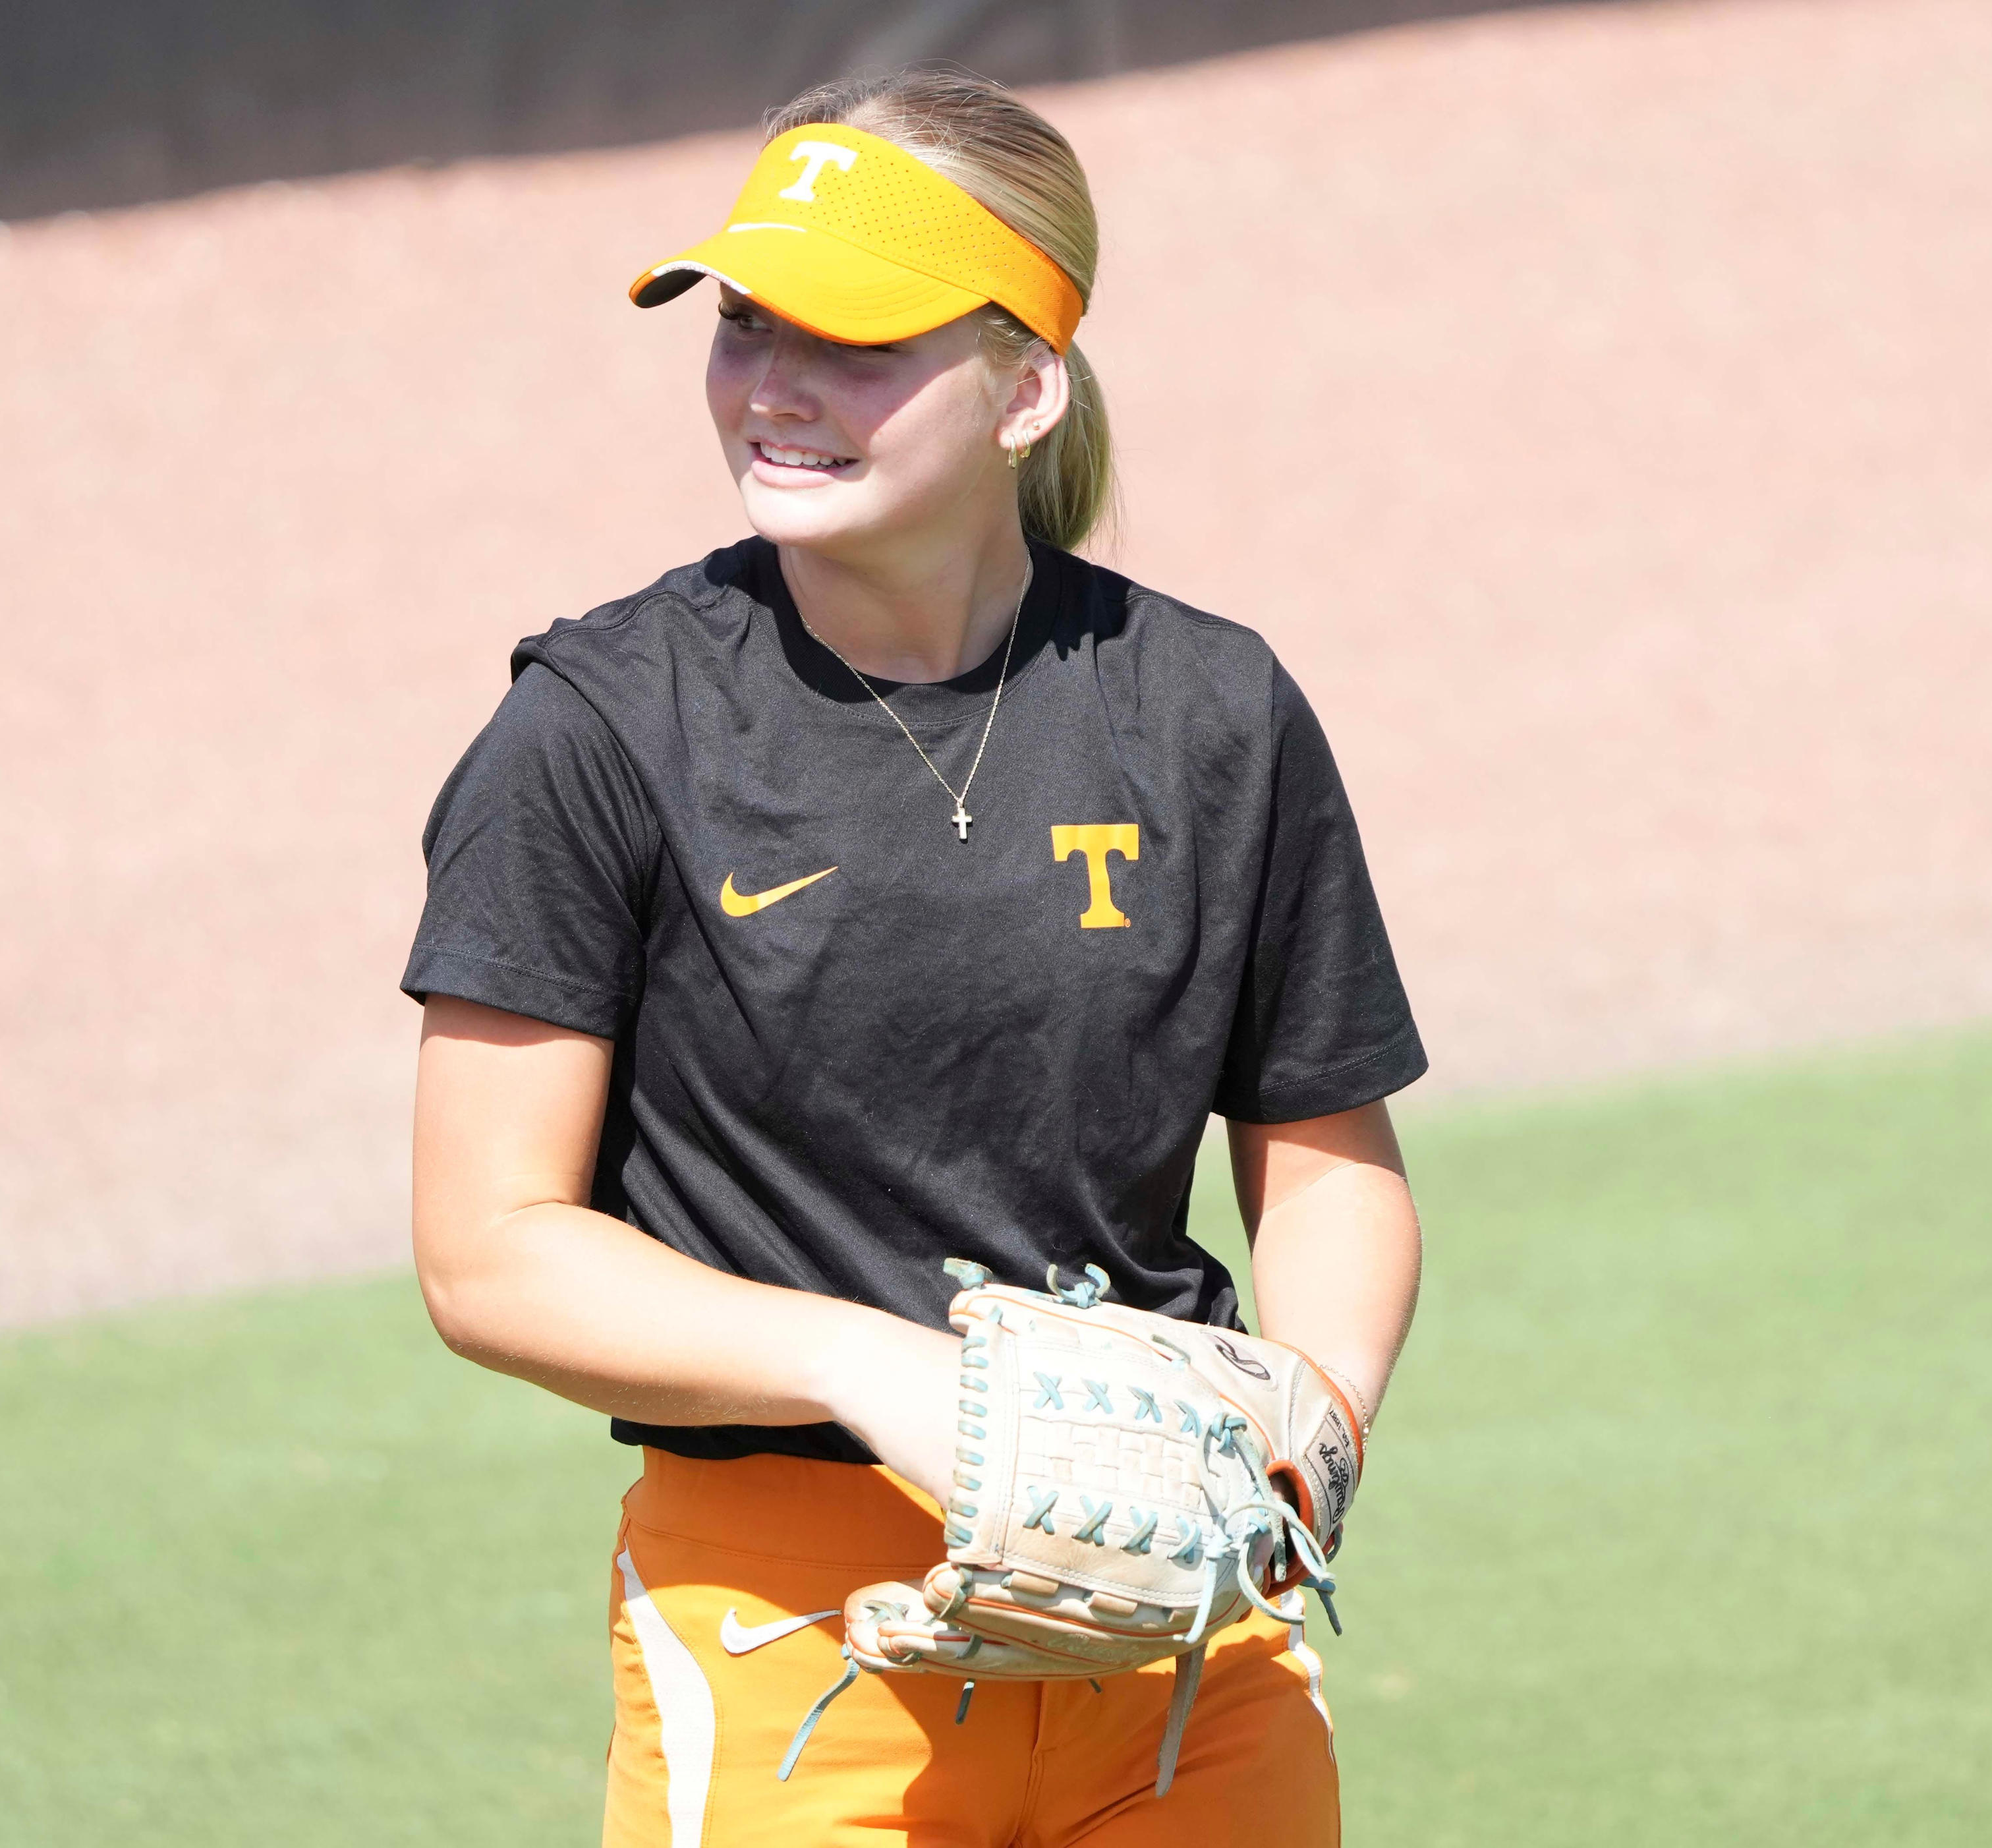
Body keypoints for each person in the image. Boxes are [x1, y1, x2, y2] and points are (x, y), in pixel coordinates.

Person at [405, 67, 1425, 1848]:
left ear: (1027, 382)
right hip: (793, 1646)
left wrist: (1300, 1433)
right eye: (742, 322)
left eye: (856, 340)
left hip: (1181, 1652)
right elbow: (487, 1251)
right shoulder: (593, 730)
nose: (775, 385)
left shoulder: (1211, 711)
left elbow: (1327, 1156)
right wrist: (872, 1371)